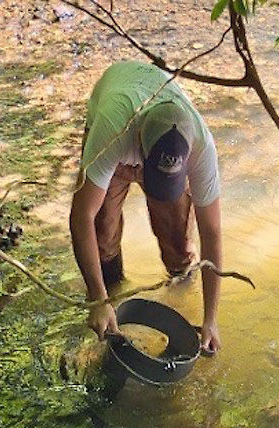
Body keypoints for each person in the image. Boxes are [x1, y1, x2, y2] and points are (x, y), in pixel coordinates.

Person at [70, 61, 223, 354]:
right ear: (139, 146)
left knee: (178, 242)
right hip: (119, 112)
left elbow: (212, 232)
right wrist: (98, 300)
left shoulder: (202, 147)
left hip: (149, 106)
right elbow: (81, 217)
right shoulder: (113, 130)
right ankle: (110, 298)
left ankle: (180, 290)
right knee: (102, 232)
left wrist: (210, 319)